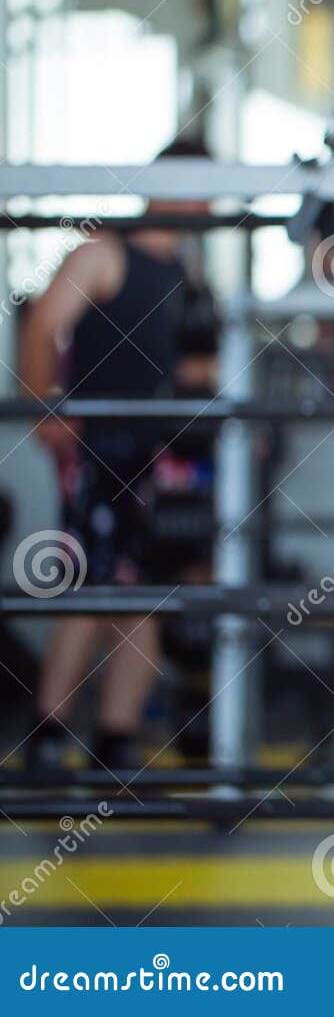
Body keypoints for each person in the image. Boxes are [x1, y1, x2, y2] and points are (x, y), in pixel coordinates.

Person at [19, 135, 214, 770]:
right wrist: (45, 405)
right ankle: (51, 733)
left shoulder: (189, 277)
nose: (204, 203)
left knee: (146, 588)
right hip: (101, 445)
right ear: (162, 187)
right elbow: (45, 326)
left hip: (161, 455)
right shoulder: (102, 254)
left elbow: (198, 366)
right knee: (95, 582)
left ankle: (114, 738)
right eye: (195, 187)